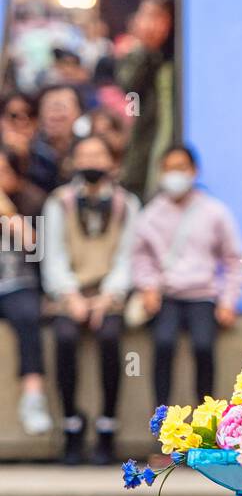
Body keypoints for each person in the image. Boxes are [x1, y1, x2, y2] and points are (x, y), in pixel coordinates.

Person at [41, 133, 140, 464]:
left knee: (111, 337)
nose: (92, 162)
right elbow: (52, 256)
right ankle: (71, 423)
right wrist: (71, 296)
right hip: (69, 293)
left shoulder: (127, 204)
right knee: (65, 338)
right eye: (85, 155)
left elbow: (128, 256)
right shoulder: (58, 202)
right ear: (73, 162)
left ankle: (107, 425)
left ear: (112, 162)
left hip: (108, 294)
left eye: (99, 155)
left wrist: (107, 296)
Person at [131, 144, 242, 408]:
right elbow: (139, 257)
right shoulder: (150, 215)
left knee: (204, 347)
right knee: (163, 344)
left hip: (203, 296)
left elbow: (233, 259)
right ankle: (162, 425)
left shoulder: (215, 211)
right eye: (169, 169)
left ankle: (205, 420)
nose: (175, 175)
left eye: (181, 168)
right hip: (166, 296)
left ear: (194, 171)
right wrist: (147, 287)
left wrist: (229, 301)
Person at [0, 148, 52, 436]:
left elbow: (35, 248)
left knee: (27, 316)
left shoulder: (33, 203)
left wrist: (9, 214)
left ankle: (33, 398)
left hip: (19, 284)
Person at [116, 0, 176, 200]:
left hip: (174, 161)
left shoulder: (182, 59)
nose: (148, 24)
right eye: (145, 15)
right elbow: (129, 88)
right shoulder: (140, 57)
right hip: (142, 161)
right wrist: (146, 49)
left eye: (157, 16)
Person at [29, 84, 83, 193]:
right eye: (49, 107)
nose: (56, 113)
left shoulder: (89, 148)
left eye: (62, 107)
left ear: (79, 112)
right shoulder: (29, 151)